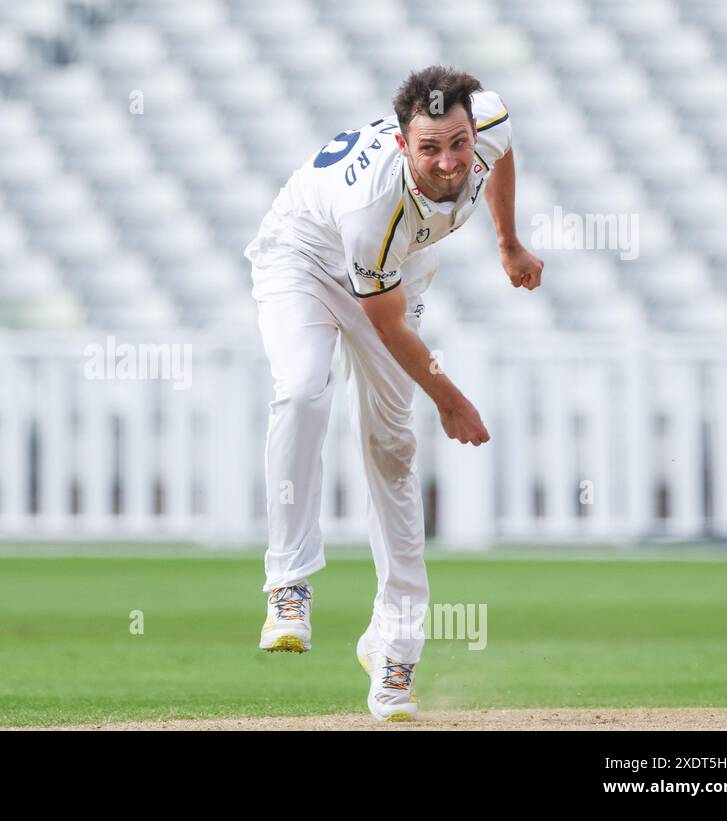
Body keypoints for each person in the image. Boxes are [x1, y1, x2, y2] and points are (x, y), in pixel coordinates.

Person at [244, 65, 544, 721]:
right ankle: (288, 582)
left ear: (472, 129)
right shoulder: (372, 206)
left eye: (458, 143)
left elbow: (506, 148)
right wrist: (452, 399)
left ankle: (393, 652)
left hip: (395, 268)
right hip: (306, 259)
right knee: (302, 389)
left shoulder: (488, 120)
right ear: (403, 145)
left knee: (393, 449)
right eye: (429, 148)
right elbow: (382, 322)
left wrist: (509, 241)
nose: (448, 161)